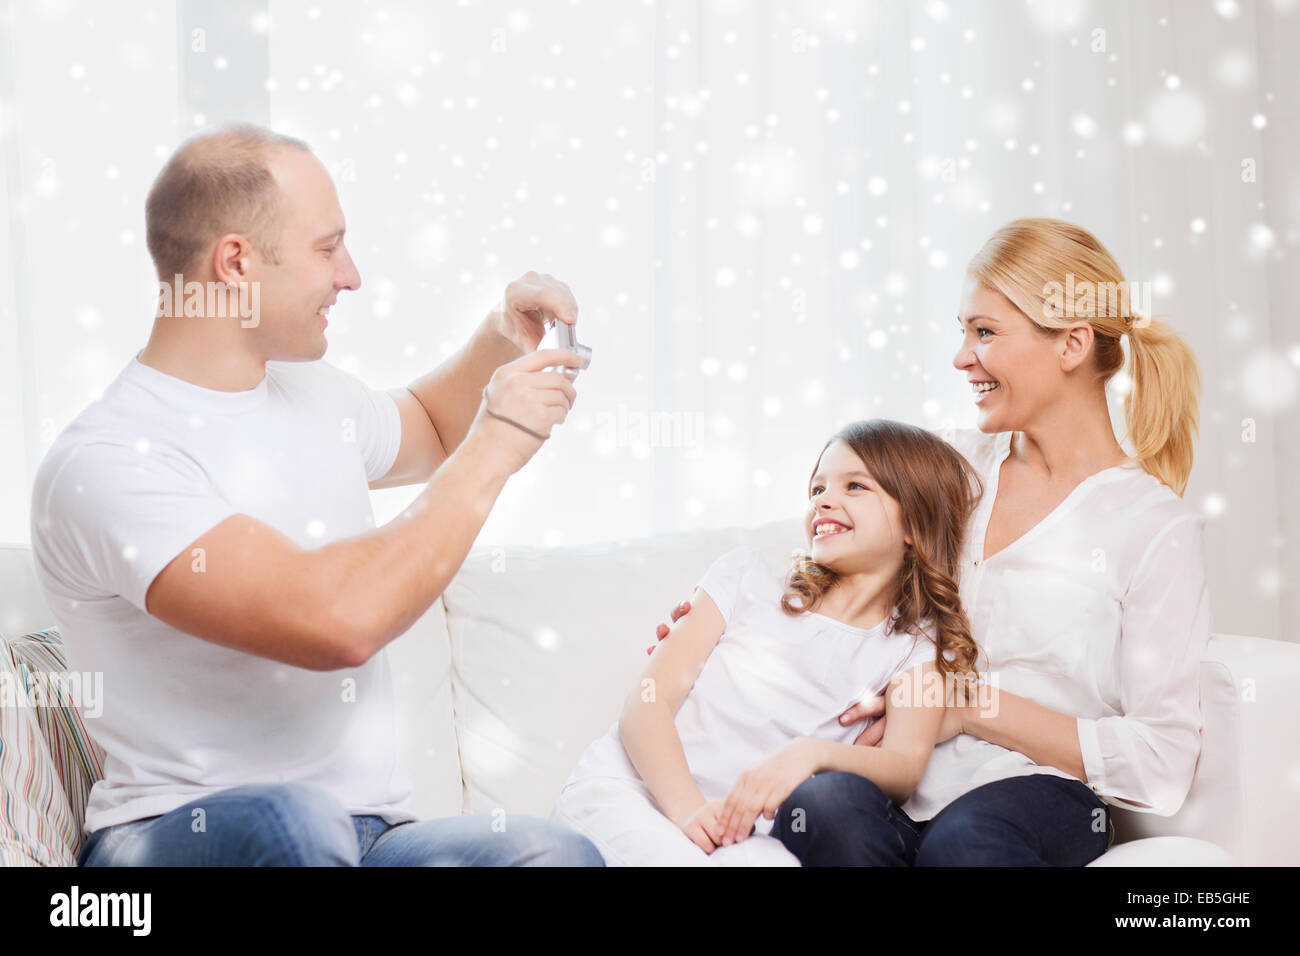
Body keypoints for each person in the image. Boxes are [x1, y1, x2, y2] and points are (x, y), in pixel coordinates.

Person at [30, 122, 603, 866]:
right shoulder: (107, 461)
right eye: (327, 248)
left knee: (548, 853)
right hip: (179, 835)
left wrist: (502, 338)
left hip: (365, 837)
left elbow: (431, 424)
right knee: (293, 822)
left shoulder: (310, 394)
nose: (352, 276)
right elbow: (336, 622)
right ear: (236, 261)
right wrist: (495, 447)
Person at [656, 218, 1210, 866]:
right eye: (962, 331)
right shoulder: (953, 466)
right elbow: (851, 555)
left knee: (965, 846)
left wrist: (969, 707)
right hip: (899, 771)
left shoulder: (1153, 528)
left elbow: (1163, 761)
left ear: (1072, 344)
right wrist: (725, 621)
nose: (961, 357)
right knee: (823, 809)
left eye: (985, 332)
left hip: (1040, 792)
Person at [552, 420, 983, 866]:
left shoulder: (917, 646)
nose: (824, 501)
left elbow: (904, 765)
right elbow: (646, 704)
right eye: (817, 489)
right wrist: (689, 812)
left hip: (739, 835)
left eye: (855, 486)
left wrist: (812, 754)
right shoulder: (746, 577)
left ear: (916, 522)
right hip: (635, 794)